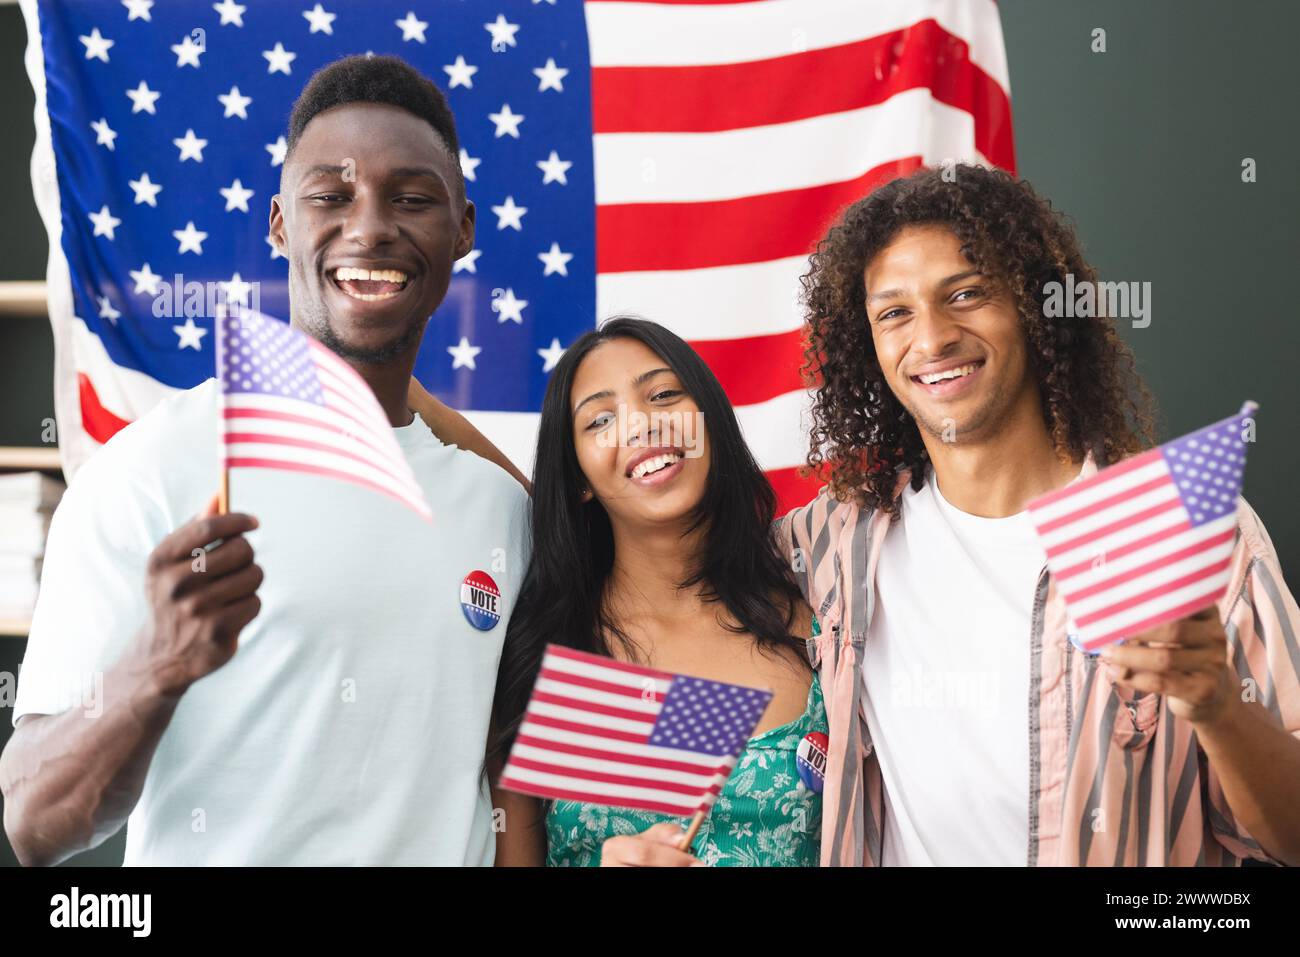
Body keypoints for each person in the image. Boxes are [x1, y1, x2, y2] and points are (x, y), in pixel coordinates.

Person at [0, 55, 528, 866]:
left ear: (462, 228)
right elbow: (34, 823)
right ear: (281, 223)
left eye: (412, 198)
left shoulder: (501, 510)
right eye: (332, 196)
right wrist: (156, 666)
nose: (370, 227)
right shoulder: (155, 469)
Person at [776, 163, 1300, 866]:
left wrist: (1219, 710)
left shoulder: (1187, 529)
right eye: (895, 312)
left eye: (966, 293)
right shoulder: (835, 543)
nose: (931, 338)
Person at [417, 318, 826, 866]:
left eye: (662, 395)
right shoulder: (543, 644)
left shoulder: (824, 593)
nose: (640, 426)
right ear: (579, 476)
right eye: (600, 420)